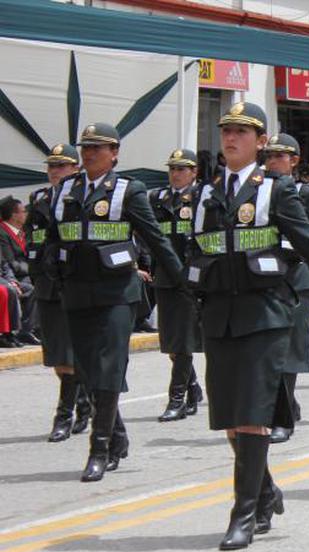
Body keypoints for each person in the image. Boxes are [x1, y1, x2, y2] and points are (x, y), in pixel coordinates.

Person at [187, 102, 309, 549]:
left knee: (252, 417)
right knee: (231, 420)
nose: (230, 138)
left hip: (266, 315)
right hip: (220, 317)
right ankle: (266, 490)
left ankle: (244, 514)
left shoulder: (274, 190)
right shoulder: (207, 194)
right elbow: (196, 252)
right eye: (226, 130)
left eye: (241, 132)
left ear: (260, 141)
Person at [47, 122, 185, 482]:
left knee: (108, 368)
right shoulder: (64, 190)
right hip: (76, 290)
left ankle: (100, 447)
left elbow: (154, 238)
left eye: (98, 147)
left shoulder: (128, 190)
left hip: (116, 294)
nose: (89, 152)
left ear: (115, 153)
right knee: (88, 370)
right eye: (86, 147)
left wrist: (184, 282)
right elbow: (51, 240)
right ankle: (118, 434)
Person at [262, 133, 309, 443]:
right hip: (267, 276)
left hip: (298, 275)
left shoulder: (306, 192)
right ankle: (287, 405)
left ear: (294, 161)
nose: (272, 162)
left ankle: (283, 415)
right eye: (268, 156)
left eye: (279, 156)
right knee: (269, 347)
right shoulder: (257, 191)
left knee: (291, 348)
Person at [25, 144, 93, 439]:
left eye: (61, 166)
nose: (54, 171)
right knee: (56, 355)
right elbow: (32, 235)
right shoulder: (38, 198)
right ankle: (82, 402)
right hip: (46, 282)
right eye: (52, 166)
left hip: (71, 281)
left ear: (75, 169)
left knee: (69, 353)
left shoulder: (80, 197)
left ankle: (64, 415)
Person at [148, 149, 204, 422]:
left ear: (194, 172)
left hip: (188, 276)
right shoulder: (157, 198)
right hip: (163, 276)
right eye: (173, 168)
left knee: (182, 340)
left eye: (182, 169)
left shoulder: (202, 197)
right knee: (171, 340)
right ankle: (193, 387)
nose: (176, 173)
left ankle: (177, 397)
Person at [0, 197, 39, 346]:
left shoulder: (23, 232)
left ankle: (28, 330)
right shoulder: (3, 233)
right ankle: (10, 332)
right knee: (12, 289)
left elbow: (3, 264)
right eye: (23, 211)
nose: (26, 214)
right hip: (18, 273)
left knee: (41, 284)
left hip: (12, 274)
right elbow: (11, 262)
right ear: (14, 215)